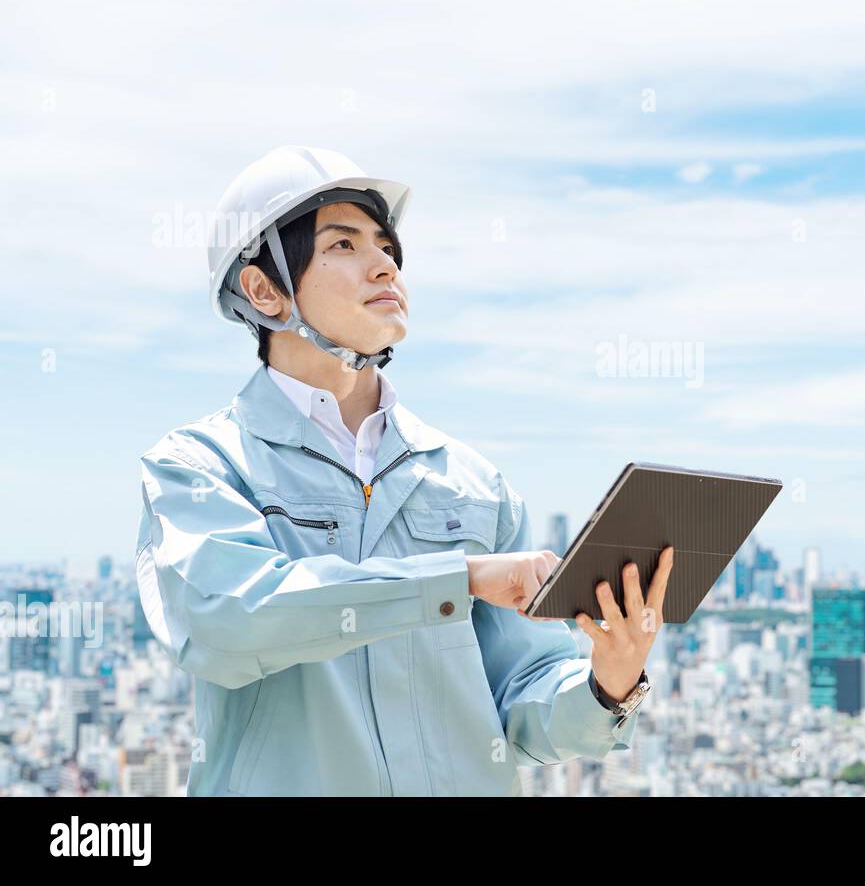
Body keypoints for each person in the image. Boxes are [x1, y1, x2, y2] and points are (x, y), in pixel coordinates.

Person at [134, 145, 670, 795]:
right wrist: (460, 578)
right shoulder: (200, 468)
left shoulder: (475, 485)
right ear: (264, 290)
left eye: (388, 247)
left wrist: (608, 684)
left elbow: (523, 712)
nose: (384, 263)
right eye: (342, 244)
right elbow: (228, 621)